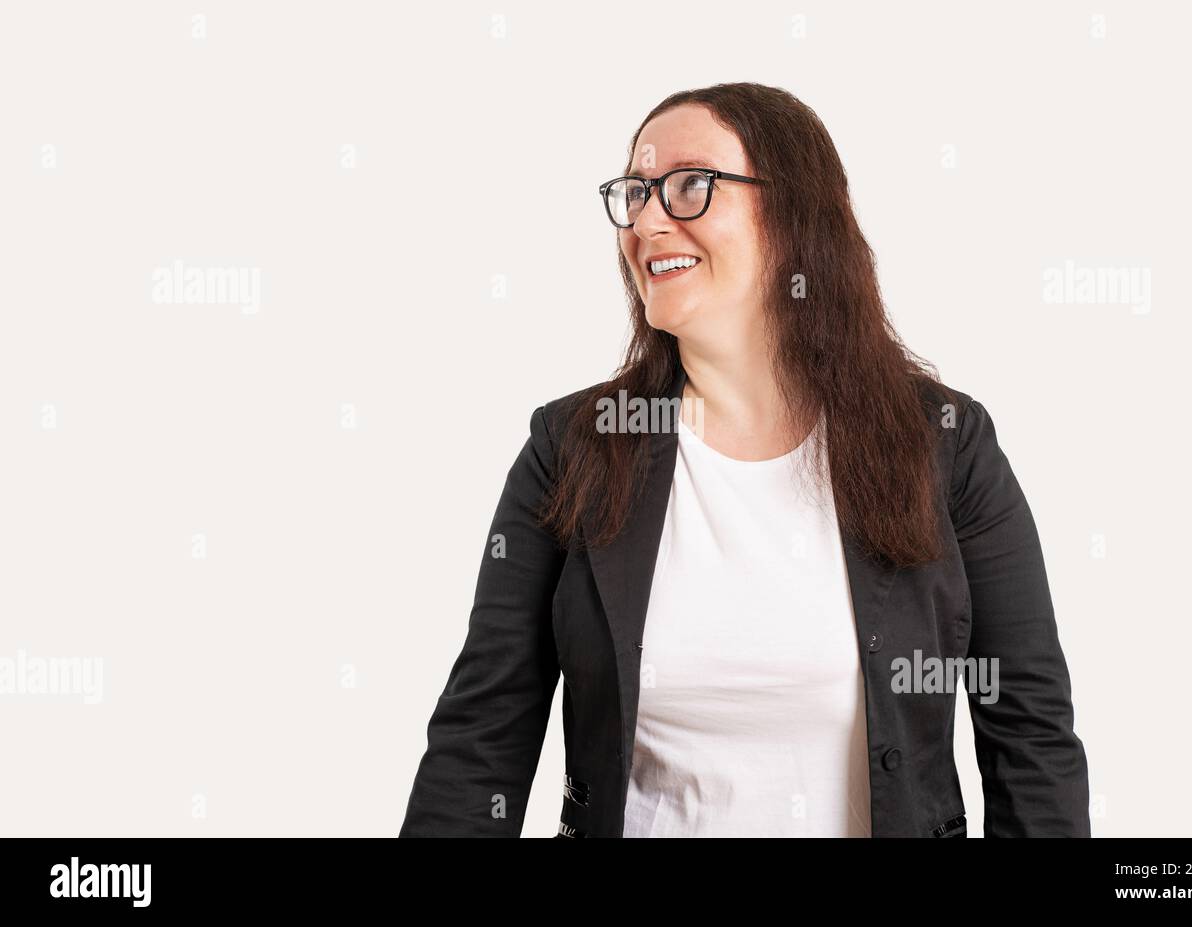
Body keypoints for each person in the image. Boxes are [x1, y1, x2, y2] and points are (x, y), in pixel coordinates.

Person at [399, 81, 1089, 837]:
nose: (648, 220)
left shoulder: (947, 443)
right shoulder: (571, 446)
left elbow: (1030, 737)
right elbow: (481, 737)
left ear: (795, 215)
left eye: (690, 185)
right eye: (636, 191)